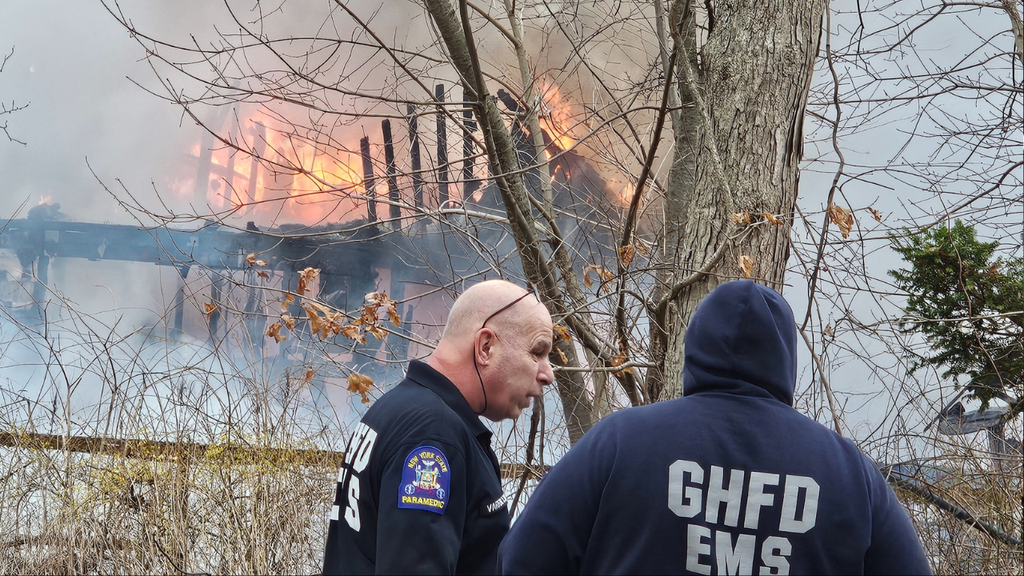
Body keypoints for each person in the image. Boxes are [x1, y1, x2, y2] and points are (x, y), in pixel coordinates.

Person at [498, 280, 932, 575]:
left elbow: (521, 560)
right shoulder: (849, 471)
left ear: (695, 348)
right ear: (786, 360)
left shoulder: (618, 442)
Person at [323, 279, 555, 575]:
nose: (548, 374)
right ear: (486, 347)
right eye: (537, 352)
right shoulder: (433, 435)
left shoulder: (400, 409)